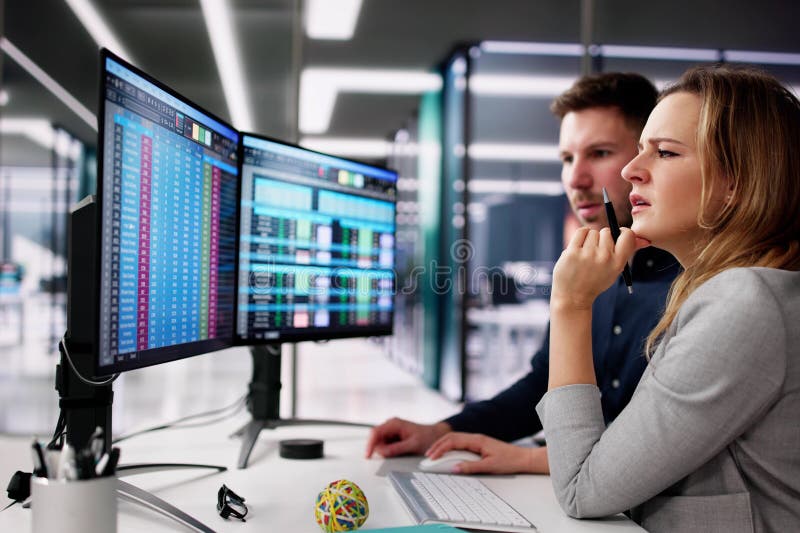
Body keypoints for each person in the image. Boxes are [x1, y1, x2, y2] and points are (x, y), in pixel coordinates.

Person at [365, 72, 681, 474]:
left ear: (642, 160)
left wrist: (529, 459)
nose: (576, 178)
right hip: (577, 488)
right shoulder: (591, 272)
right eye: (567, 159)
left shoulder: (697, 283)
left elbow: (665, 443)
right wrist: (441, 430)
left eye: (599, 153)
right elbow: (543, 385)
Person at [536, 65, 800, 531]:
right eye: (641, 149)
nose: (630, 171)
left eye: (665, 152)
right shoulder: (727, 289)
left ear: (736, 182)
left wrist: (570, 305)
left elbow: (582, 489)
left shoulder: (746, 301)